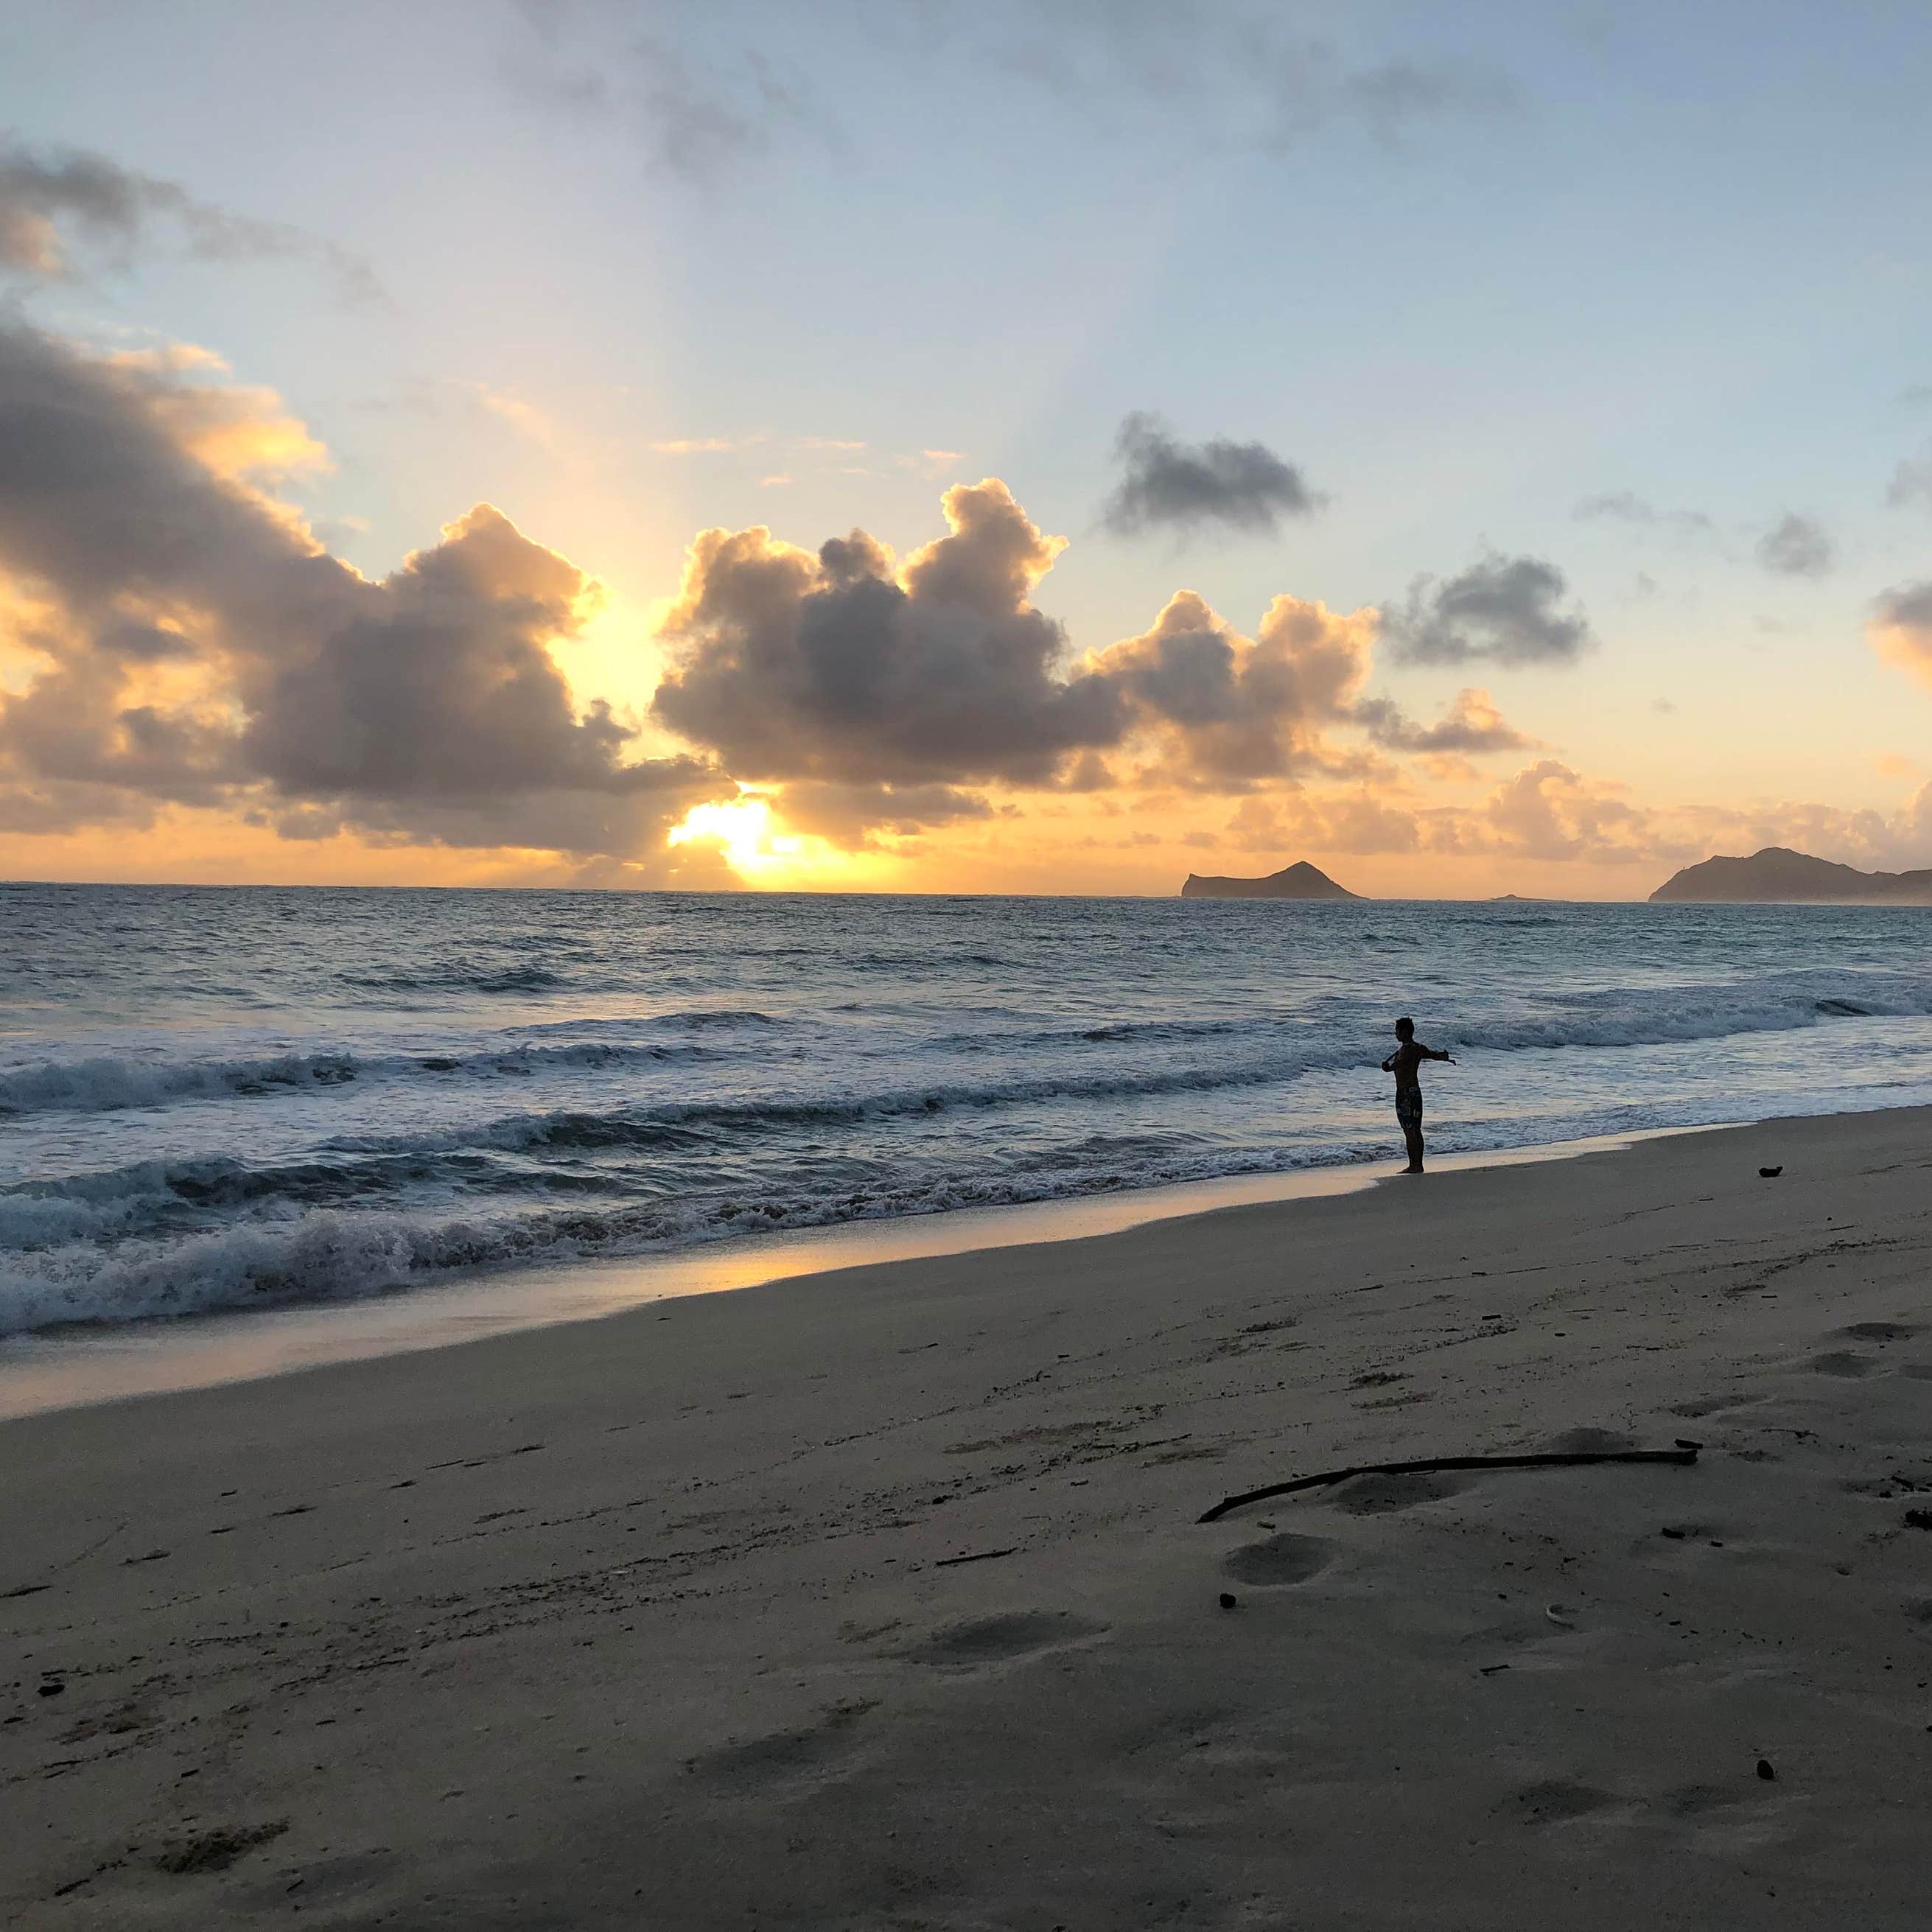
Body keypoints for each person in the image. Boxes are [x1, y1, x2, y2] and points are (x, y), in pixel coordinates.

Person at [1381, 1016, 1454, 1174]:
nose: (1395, 1034)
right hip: (1415, 1092)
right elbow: (1432, 1054)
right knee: (1416, 1129)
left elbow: (1397, 1065)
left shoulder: (1406, 1050)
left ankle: (1414, 1165)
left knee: (1409, 1130)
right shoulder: (1417, 1047)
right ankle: (1417, 1164)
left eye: (1397, 1031)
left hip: (1405, 1093)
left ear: (1405, 1031)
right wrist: (1443, 1057)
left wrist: (1387, 1068)